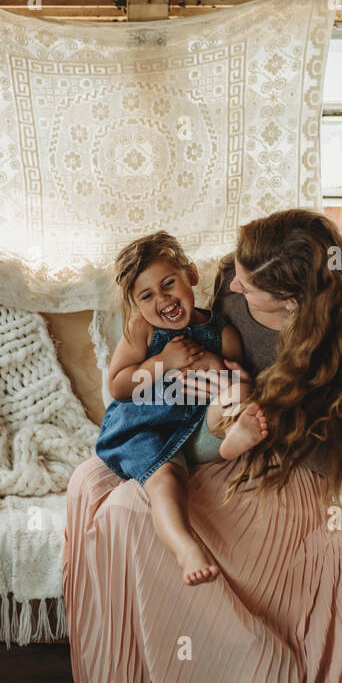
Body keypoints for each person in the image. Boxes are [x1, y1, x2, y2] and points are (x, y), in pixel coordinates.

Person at [65, 209, 342, 683]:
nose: (231, 283)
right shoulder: (225, 301)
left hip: (281, 463)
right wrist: (191, 396)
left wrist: (224, 412)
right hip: (197, 433)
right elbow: (125, 384)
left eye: (247, 283)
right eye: (236, 271)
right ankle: (135, 680)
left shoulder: (326, 342)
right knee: (93, 485)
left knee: (131, 511)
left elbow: (296, 437)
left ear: (291, 301)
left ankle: (215, 674)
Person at [95, 231, 270, 585]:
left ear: (191, 275)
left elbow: (234, 380)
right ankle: (184, 547)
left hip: (196, 428)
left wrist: (218, 367)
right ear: (137, 304)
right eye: (147, 295)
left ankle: (231, 437)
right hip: (145, 431)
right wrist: (163, 361)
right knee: (166, 480)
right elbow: (119, 385)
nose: (162, 299)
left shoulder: (222, 333)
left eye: (168, 284)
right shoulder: (141, 329)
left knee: (235, 396)